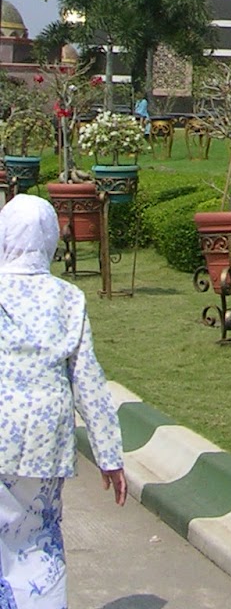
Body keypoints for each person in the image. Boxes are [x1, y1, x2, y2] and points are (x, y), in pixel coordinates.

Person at [0, 195, 125, 609]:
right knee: (39, 537)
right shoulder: (68, 297)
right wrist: (109, 455)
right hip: (45, 438)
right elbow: (87, 379)